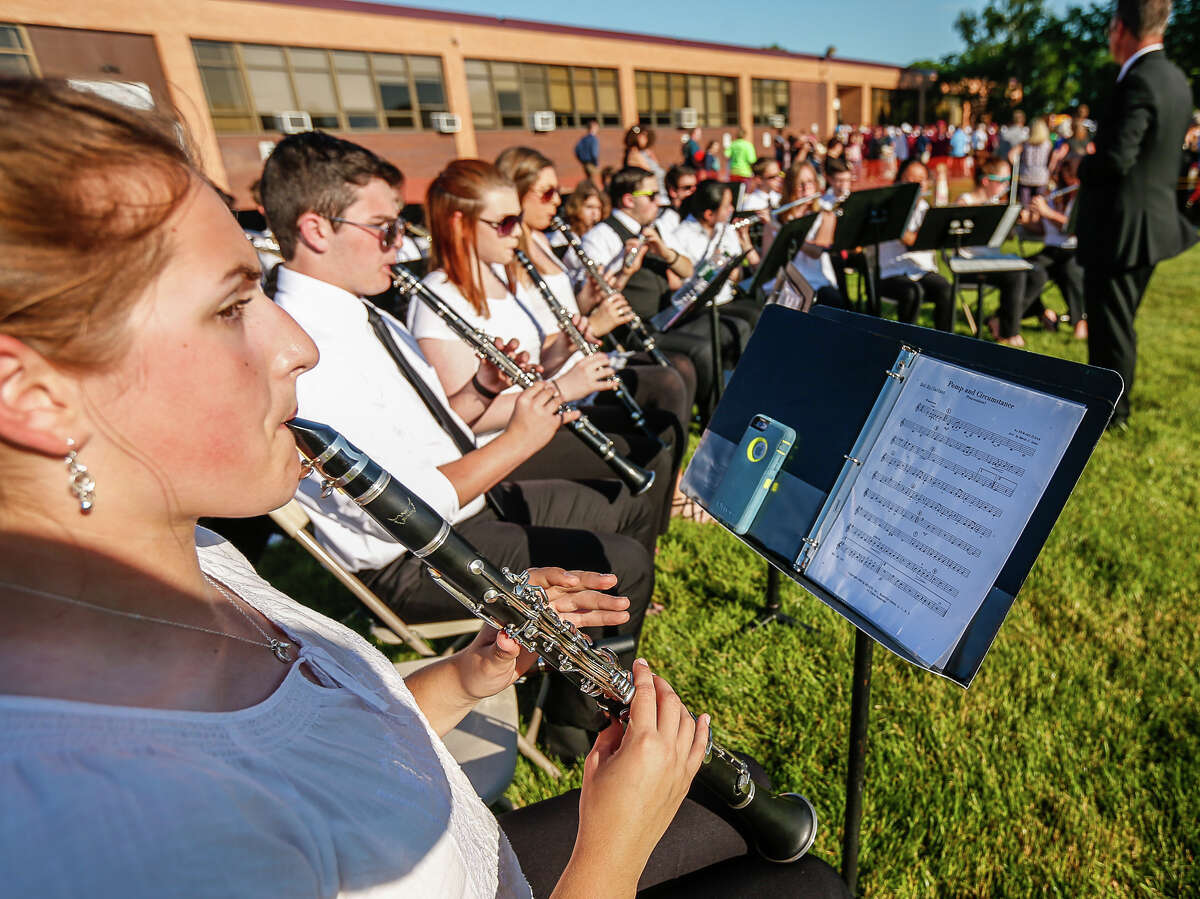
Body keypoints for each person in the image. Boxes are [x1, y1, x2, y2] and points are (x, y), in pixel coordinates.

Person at [0, 77, 852, 898]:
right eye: (231, 307)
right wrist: (614, 846)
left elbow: (313, 744)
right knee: (803, 885)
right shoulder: (101, 827)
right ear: (34, 393)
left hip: (463, 845)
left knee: (775, 844)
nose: (296, 342)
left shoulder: (201, 552)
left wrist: (466, 673)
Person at [261, 135, 658, 753]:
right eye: (385, 228)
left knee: (627, 507)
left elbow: (436, 423)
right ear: (316, 228)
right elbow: (402, 505)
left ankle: (577, 675)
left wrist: (482, 388)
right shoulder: (305, 347)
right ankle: (576, 730)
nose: (403, 244)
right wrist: (522, 438)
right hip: (413, 554)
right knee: (619, 563)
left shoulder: (368, 310)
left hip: (460, 504)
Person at [1076, 0, 1198, 429]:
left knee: (1111, 324)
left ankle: (1111, 413)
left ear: (1121, 29)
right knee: (1119, 321)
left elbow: (1116, 158)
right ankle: (1112, 407)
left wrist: (1082, 164)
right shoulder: (1176, 79)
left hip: (1121, 226)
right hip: (1151, 221)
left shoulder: (1139, 80)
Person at [956, 157, 1051, 347]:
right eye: (1002, 181)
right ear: (986, 181)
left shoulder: (997, 203)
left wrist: (1015, 221)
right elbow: (958, 238)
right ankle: (1010, 332)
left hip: (992, 261)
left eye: (1008, 182)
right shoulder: (965, 201)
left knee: (1038, 273)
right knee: (1015, 276)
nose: (1006, 186)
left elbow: (1007, 237)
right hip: (968, 264)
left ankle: (999, 318)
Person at [877, 159, 955, 332]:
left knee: (945, 289)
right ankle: (907, 342)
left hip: (922, 270)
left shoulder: (926, 208)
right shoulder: (889, 208)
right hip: (891, 272)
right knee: (912, 292)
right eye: (910, 179)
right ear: (899, 181)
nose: (916, 184)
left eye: (921, 179)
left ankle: (944, 343)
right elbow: (910, 241)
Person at [1026, 155, 1087, 339]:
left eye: (1063, 176)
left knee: (1070, 270)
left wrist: (1047, 212)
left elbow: (1073, 228)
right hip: (1050, 250)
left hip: (1072, 250)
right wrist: (1028, 221)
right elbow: (1042, 230)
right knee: (1024, 271)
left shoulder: (1080, 198)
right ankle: (1042, 314)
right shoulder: (1053, 195)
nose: (1058, 179)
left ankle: (1080, 320)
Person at [657, 164, 699, 240]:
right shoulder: (667, 220)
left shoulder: (692, 214)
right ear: (673, 191)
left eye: (696, 187)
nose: (694, 192)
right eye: (687, 188)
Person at [1017, 118, 1053, 205]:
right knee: (1038, 206)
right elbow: (1051, 160)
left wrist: (1019, 164)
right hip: (1041, 177)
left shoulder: (1025, 143)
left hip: (1025, 176)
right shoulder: (1048, 144)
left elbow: (1011, 155)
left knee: (1024, 206)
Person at [574, 118, 601, 187]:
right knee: (596, 183)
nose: (598, 129)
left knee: (589, 181)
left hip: (585, 163)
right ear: (593, 127)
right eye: (597, 127)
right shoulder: (593, 139)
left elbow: (577, 150)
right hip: (592, 163)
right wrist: (596, 163)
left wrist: (581, 160)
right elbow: (594, 153)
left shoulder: (583, 139)